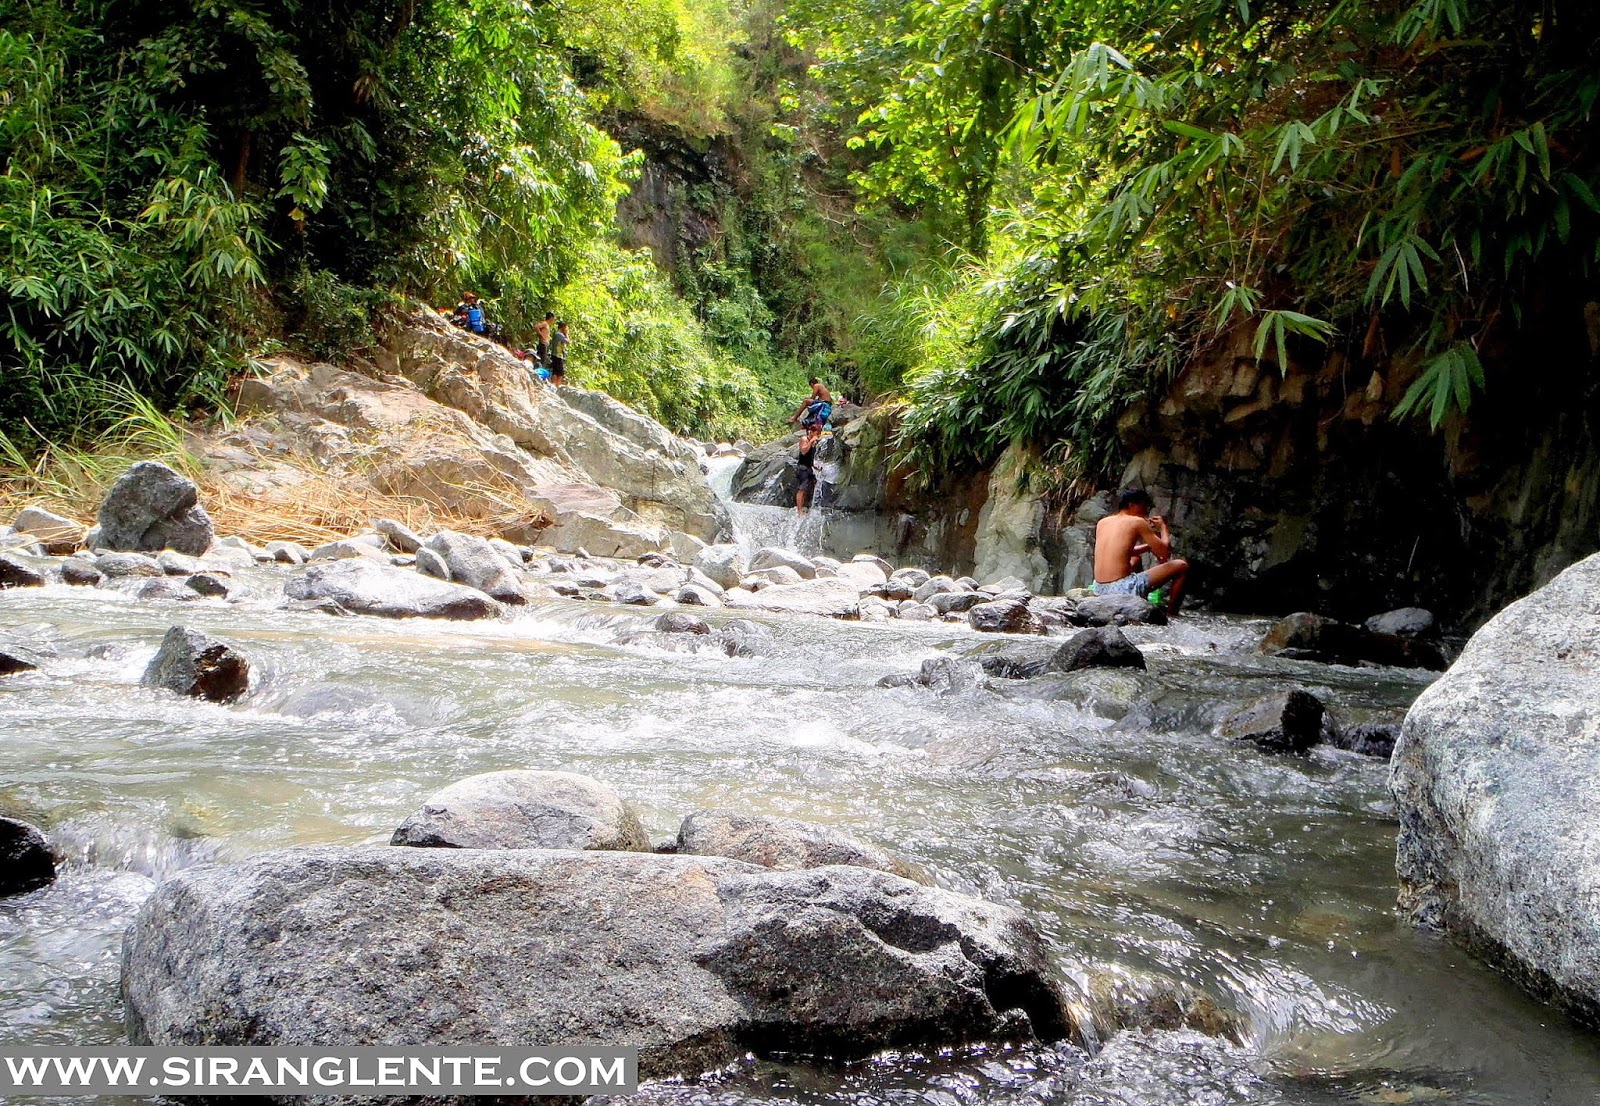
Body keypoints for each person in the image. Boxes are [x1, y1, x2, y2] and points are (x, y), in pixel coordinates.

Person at [1093, 488, 1189, 614]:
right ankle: (1172, 614)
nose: (1145, 511)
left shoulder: (1103, 522)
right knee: (1182, 566)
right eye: (1143, 507)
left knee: (1136, 559)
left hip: (1099, 588)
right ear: (1131, 505)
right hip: (1122, 589)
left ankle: (1140, 603)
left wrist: (1147, 547)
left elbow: (1121, 552)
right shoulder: (1137, 522)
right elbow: (1165, 552)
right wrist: (1163, 528)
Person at [794, 424, 823, 515]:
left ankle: (805, 506)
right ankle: (799, 510)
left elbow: (810, 457)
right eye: (817, 434)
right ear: (812, 432)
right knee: (802, 488)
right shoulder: (804, 439)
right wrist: (811, 442)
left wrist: (815, 467)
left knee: (809, 486)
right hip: (802, 468)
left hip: (809, 467)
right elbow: (803, 451)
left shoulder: (813, 442)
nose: (817, 436)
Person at [548, 320, 569, 385]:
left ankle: (554, 384)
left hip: (556, 355)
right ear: (563, 328)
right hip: (557, 355)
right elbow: (568, 342)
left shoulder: (558, 334)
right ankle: (556, 385)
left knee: (555, 371)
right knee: (560, 373)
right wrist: (567, 334)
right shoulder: (559, 335)